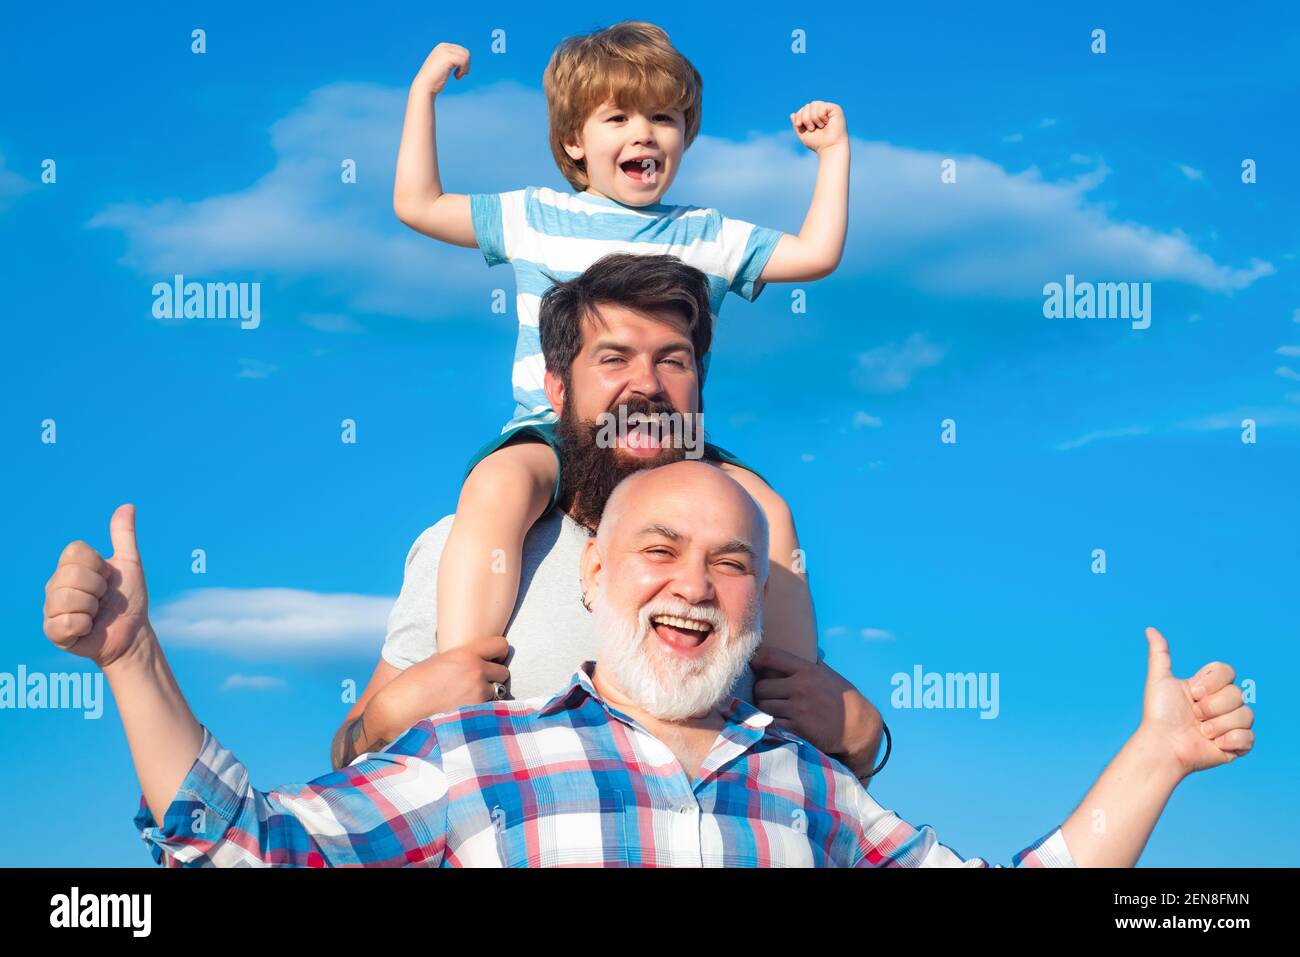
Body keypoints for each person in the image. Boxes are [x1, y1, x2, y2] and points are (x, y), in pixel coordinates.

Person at [41, 463, 1255, 867]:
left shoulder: (813, 793)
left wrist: (1154, 760)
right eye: (659, 550)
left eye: (730, 563)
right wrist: (134, 661)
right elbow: (247, 851)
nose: (694, 583)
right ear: (594, 577)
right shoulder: (474, 759)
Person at [392, 20, 851, 669]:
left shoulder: (707, 234)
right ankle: (465, 665)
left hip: (672, 437)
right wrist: (423, 93)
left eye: (663, 118)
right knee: (497, 485)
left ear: (685, 134)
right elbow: (418, 203)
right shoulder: (534, 215)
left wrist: (833, 154)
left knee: (767, 508)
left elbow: (817, 254)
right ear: (573, 141)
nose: (644, 133)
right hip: (554, 430)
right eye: (618, 118)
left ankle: (796, 685)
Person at [331, 253, 882, 784]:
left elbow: (810, 786)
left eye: (673, 361)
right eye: (614, 359)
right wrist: (381, 724)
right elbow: (347, 759)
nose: (647, 385)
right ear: (558, 389)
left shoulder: (741, 562)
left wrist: (861, 745)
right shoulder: (465, 545)